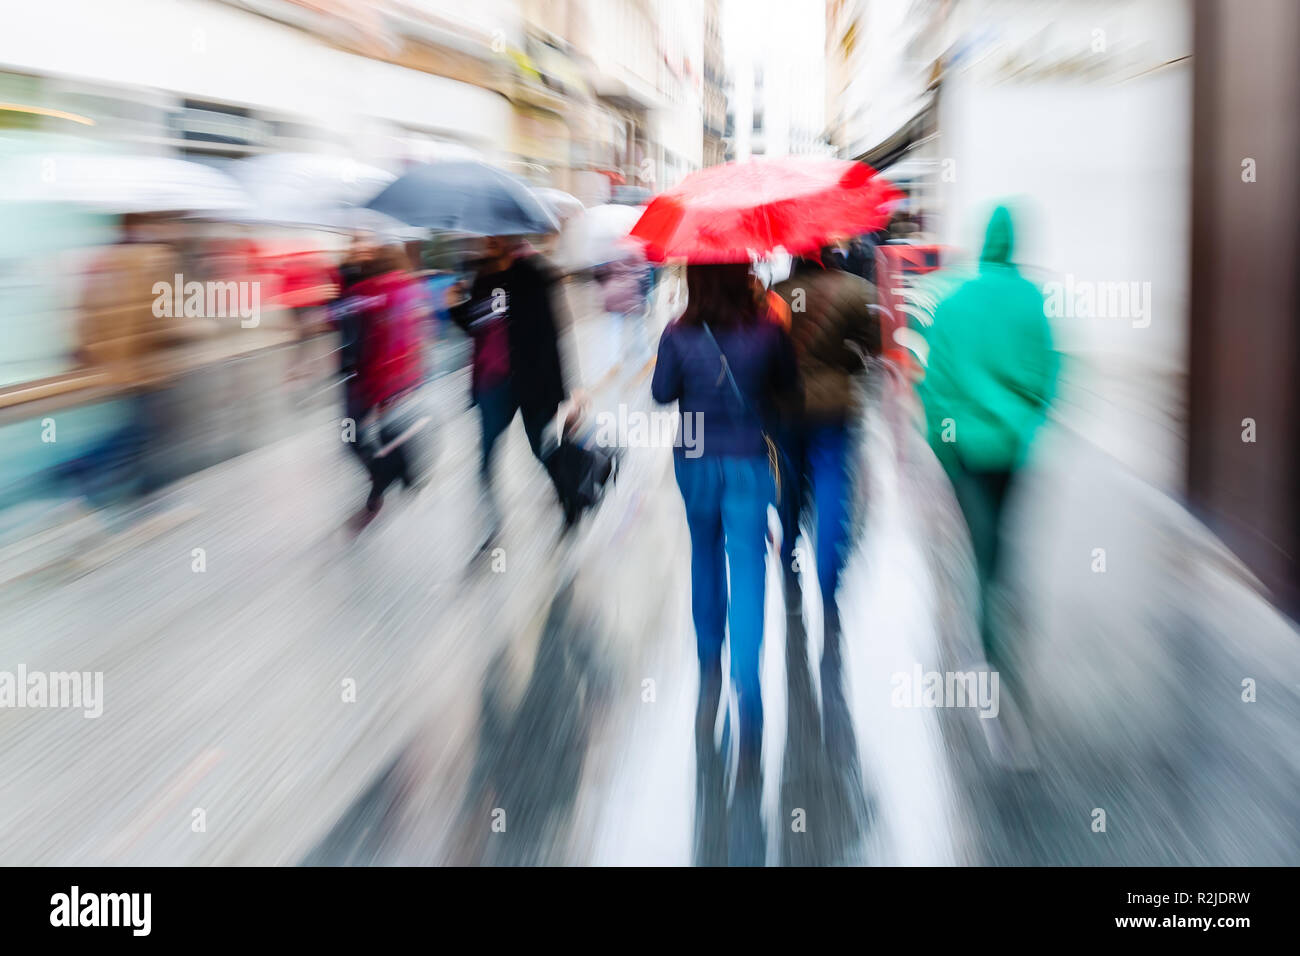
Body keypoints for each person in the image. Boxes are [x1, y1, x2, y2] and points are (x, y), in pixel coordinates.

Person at [651, 262, 799, 866]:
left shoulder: (677, 332)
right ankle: (746, 685)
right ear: (744, 276)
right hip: (747, 463)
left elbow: (662, 395)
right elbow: (788, 393)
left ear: (692, 278)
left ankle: (709, 662)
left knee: (703, 558)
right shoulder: (769, 328)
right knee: (750, 573)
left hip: (693, 461)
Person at [918, 205, 1057, 677]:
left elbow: (935, 382)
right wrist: (1030, 420)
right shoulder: (1031, 300)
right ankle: (997, 601)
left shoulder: (956, 301)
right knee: (1001, 532)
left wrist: (941, 443)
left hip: (966, 447)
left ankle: (988, 632)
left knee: (980, 539)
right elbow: (1049, 371)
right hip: (1013, 444)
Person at [771, 249, 880, 694]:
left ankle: (788, 550)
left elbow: (768, 351)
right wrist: (845, 365)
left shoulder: (776, 294)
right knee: (835, 485)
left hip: (785, 409)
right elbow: (872, 349)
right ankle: (829, 578)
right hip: (835, 407)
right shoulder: (857, 291)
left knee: (791, 482)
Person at [448, 235, 585, 544]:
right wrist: (456, 304)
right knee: (485, 460)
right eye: (487, 239)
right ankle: (490, 527)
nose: (488, 243)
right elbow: (477, 324)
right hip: (492, 383)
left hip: (531, 382)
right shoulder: (483, 276)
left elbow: (553, 336)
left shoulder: (535, 274)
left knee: (542, 449)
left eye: (494, 239)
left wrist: (566, 392)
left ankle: (570, 501)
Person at [347, 243, 428, 520]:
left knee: (365, 435)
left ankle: (382, 487)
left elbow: (345, 317)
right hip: (392, 378)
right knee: (381, 435)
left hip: (380, 377)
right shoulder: (408, 289)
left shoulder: (373, 290)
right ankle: (399, 476)